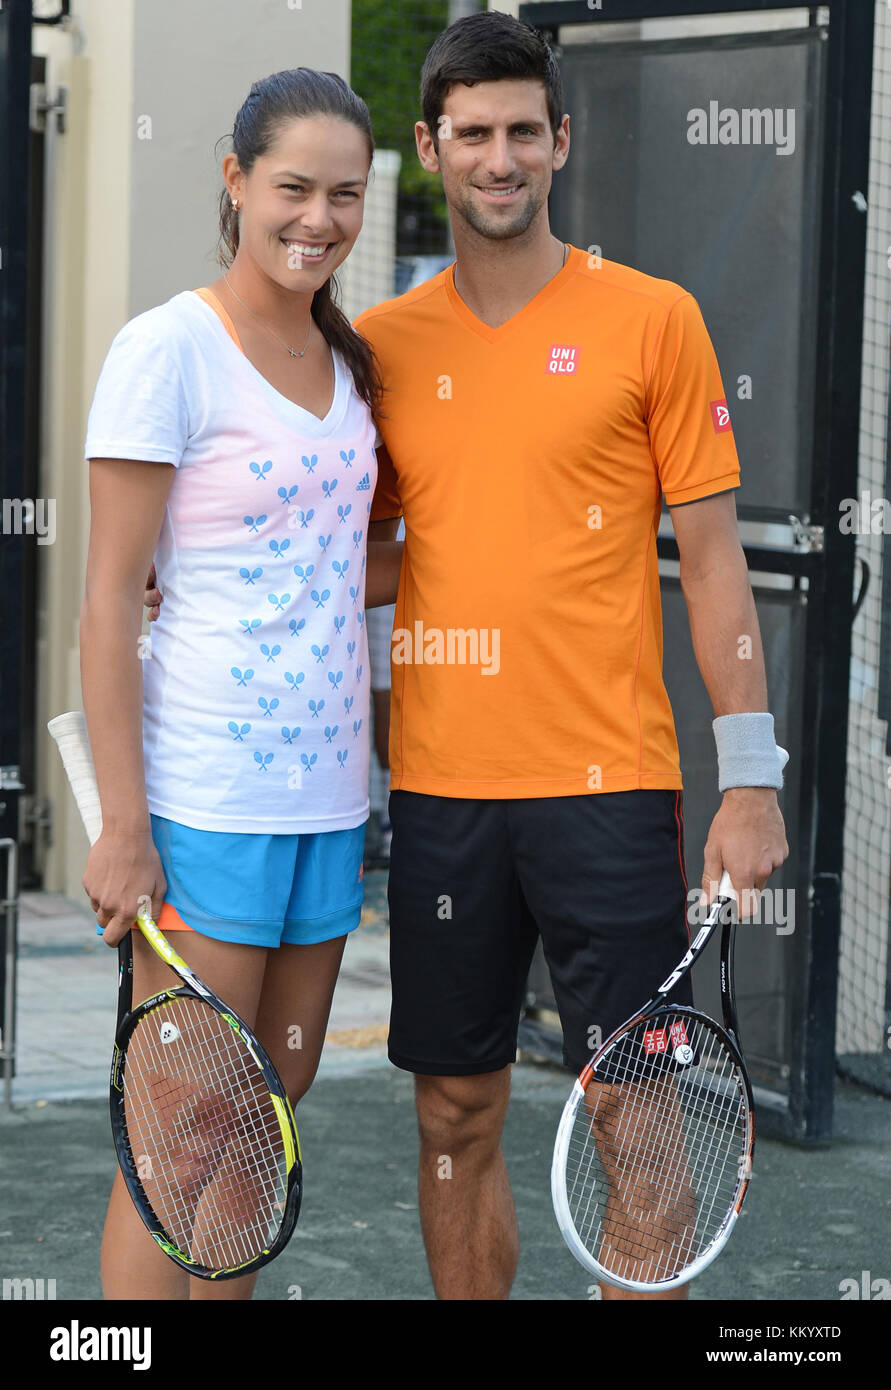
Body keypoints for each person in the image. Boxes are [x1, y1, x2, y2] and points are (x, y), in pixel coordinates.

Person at [146, 14, 789, 1302]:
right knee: (452, 1115)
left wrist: (754, 773)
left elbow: (713, 557)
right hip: (441, 796)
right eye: (473, 134)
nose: (502, 158)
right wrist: (209, 574)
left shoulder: (656, 320)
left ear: (563, 139)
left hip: (610, 788)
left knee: (636, 1119)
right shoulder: (377, 347)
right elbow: (365, 553)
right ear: (432, 150)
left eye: (523, 133)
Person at [82, 66, 401, 1301]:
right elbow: (109, 596)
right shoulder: (167, 349)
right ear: (235, 180)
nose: (317, 219)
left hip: (326, 803)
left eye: (345, 195)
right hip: (202, 796)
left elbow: (336, 565)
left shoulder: (347, 361)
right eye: (292, 188)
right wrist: (121, 823)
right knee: (183, 1133)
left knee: (267, 1112)